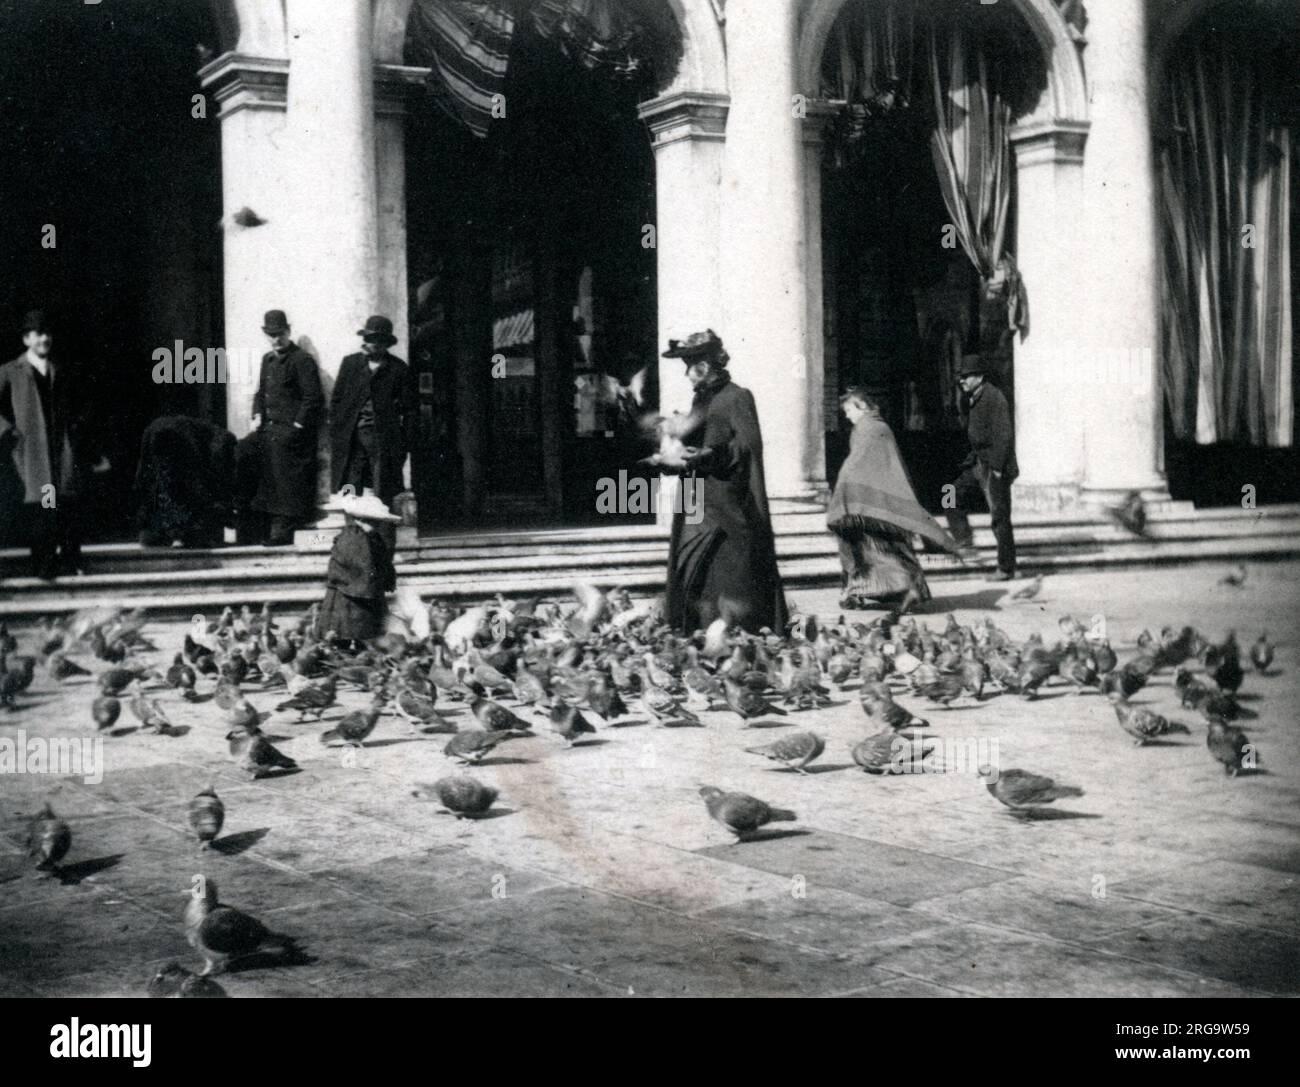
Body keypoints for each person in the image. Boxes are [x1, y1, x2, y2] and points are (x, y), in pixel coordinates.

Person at [659, 330, 788, 635]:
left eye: (691, 367)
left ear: (706, 365)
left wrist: (705, 455)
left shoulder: (736, 396)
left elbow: (747, 447)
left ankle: (740, 631)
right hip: (698, 498)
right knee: (697, 564)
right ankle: (702, 629)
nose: (687, 374)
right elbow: (698, 441)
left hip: (725, 502)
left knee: (728, 566)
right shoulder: (701, 400)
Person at [827, 388, 958, 613]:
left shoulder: (866, 428)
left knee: (860, 549)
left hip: (861, 502)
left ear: (861, 406)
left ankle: (857, 592)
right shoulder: (881, 427)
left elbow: (856, 464)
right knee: (893, 548)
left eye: (849, 410)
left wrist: (844, 488)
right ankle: (908, 589)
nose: (846, 415)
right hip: (883, 501)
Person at [0, 310, 109, 579]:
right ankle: (45, 564)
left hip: (61, 449)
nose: (44, 339)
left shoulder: (60, 369)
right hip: (34, 453)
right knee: (44, 507)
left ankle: (71, 561)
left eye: (47, 334)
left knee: (66, 504)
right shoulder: (10, 371)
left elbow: (79, 406)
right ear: (26, 339)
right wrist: (8, 432)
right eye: (37, 334)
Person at [328, 315, 415, 547]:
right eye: (367, 338)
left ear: (385, 343)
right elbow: (336, 401)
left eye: (374, 340)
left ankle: (384, 550)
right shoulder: (350, 364)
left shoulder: (398, 369)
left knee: (381, 496)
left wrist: (402, 448)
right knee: (350, 492)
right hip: (351, 442)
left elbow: (410, 412)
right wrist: (338, 430)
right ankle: (352, 548)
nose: (368, 343)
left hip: (382, 444)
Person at [246, 310, 324, 546]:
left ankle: (283, 530)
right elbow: (261, 392)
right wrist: (256, 414)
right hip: (269, 431)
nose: (275, 339)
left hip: (292, 436)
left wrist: (297, 427)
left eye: (279, 334)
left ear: (288, 331)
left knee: (285, 480)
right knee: (248, 458)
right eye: (270, 335)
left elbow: (313, 398)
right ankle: (256, 526)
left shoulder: (301, 360)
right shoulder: (267, 360)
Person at [945, 355, 1019, 579]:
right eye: (961, 377)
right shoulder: (973, 397)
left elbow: (1004, 433)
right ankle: (965, 543)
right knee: (949, 494)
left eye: (966, 377)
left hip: (994, 466)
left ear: (980, 377)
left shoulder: (994, 397)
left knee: (999, 516)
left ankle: (1005, 568)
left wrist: (997, 468)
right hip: (978, 462)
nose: (962, 381)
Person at [136, 415, 237, 549]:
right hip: (177, 439)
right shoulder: (223, 441)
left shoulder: (211, 437)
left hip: (163, 433)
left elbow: (145, 466)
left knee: (164, 485)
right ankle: (178, 533)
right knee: (175, 487)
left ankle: (163, 533)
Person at [315, 490, 400, 647]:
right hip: (350, 595)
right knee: (348, 632)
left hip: (361, 593)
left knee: (363, 631)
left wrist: (386, 575)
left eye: (378, 522)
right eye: (372, 522)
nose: (376, 526)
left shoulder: (371, 537)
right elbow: (359, 565)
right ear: (360, 519)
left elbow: (381, 560)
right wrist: (376, 579)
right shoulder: (354, 537)